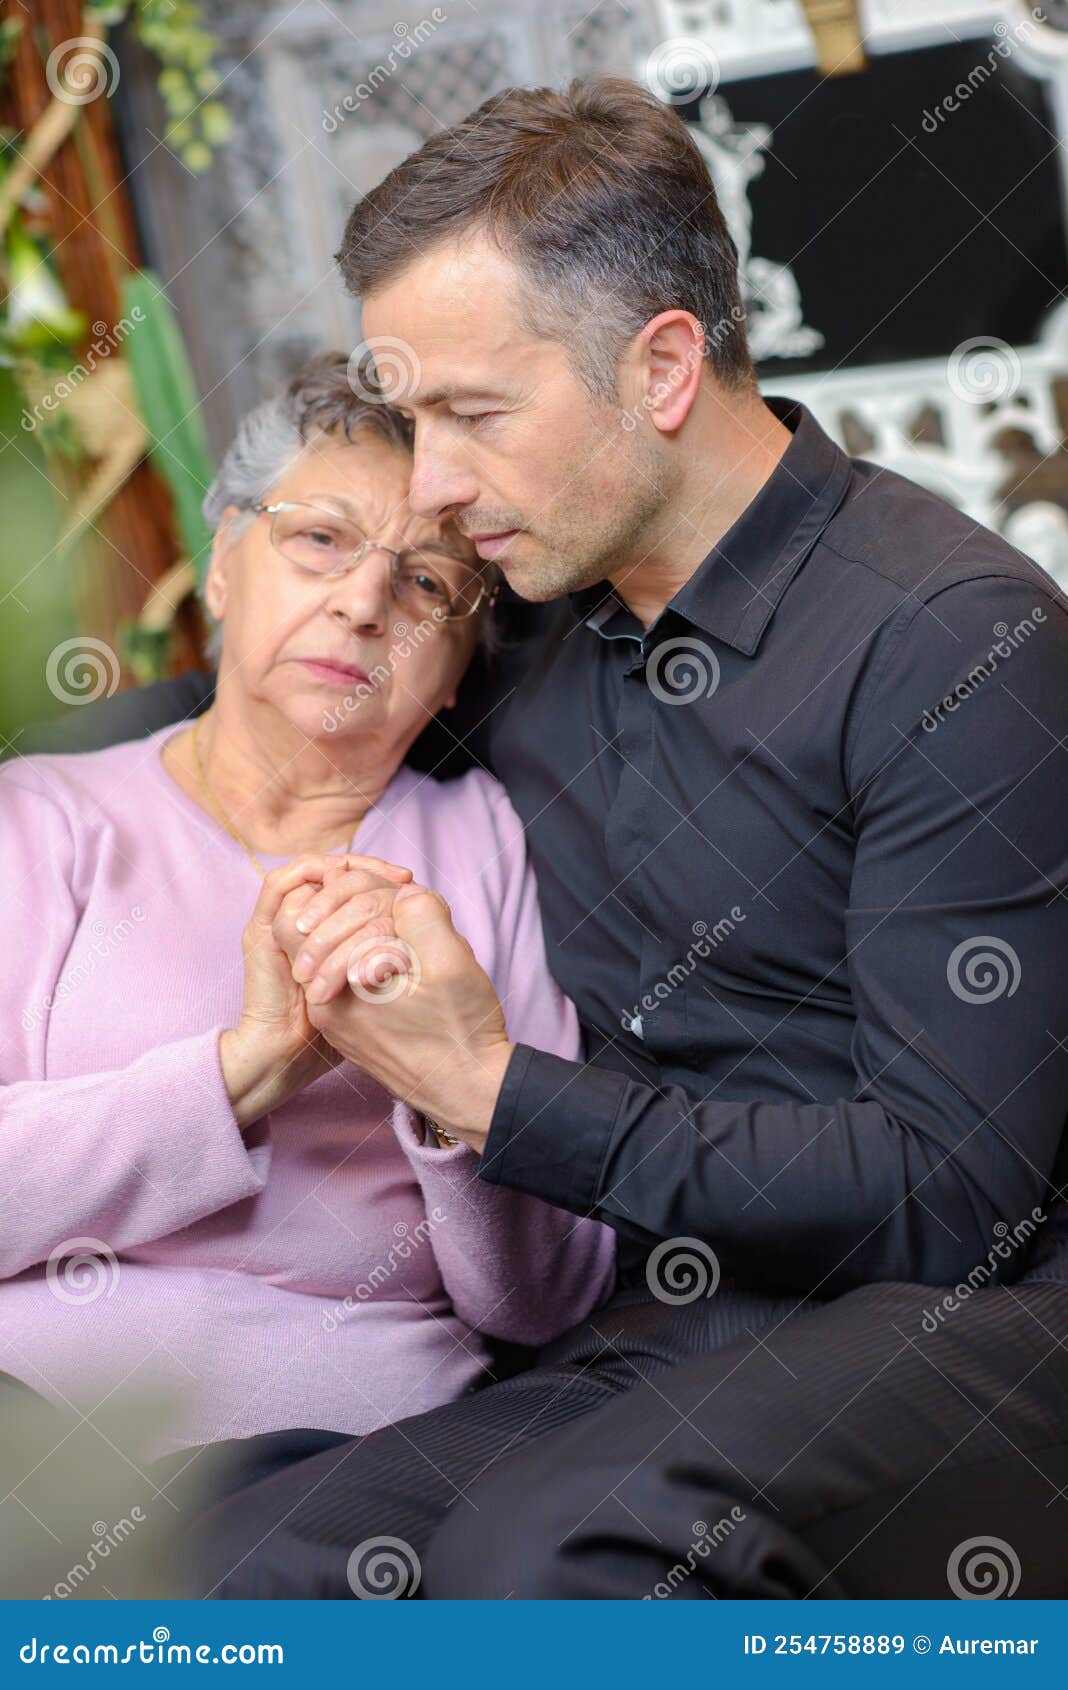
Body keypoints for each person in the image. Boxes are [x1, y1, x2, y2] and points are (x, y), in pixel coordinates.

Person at [21, 78, 1068, 1601]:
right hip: (635, 1330)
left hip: (945, 1309)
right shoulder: (528, 617)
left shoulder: (954, 644)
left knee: (553, 1557)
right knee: (214, 1572)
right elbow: (282, 689)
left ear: (659, 367)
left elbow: (946, 1192)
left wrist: (493, 1091)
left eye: (469, 413)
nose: (430, 485)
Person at [0, 353, 616, 1550]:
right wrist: (247, 1072)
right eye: (320, 539)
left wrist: (447, 1086)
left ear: (453, 671)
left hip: (342, 1470)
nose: (363, 603)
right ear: (225, 561)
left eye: (427, 581)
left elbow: (544, 1296)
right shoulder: (41, 818)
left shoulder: (479, 841)